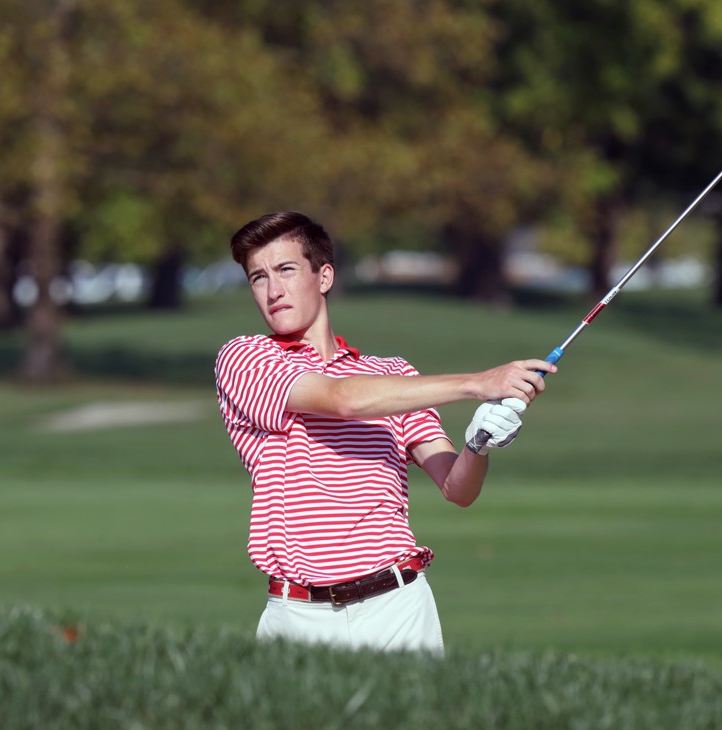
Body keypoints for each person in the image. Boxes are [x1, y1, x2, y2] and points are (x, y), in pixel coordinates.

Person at [215, 211, 555, 654]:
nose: (272, 290)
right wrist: (477, 382)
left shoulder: (393, 376)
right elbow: (343, 400)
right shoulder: (245, 358)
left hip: (399, 608)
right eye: (258, 278)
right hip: (297, 616)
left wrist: (478, 445)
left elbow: (457, 488)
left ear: (324, 276)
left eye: (286, 270)